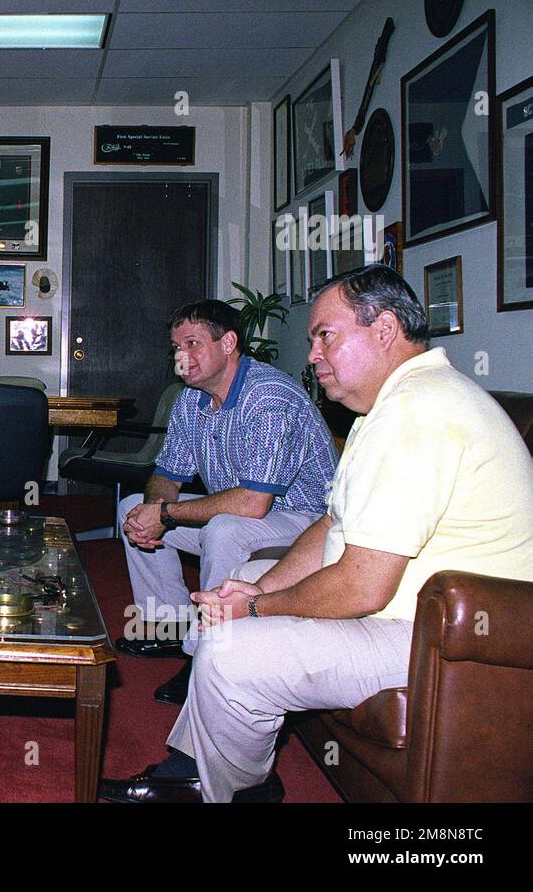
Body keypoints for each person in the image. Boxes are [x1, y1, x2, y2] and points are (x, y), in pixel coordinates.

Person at [99, 265, 533, 803]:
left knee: (233, 641)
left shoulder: (420, 416)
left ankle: (228, 791)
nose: (311, 354)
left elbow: (361, 587)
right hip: (410, 612)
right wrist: (259, 590)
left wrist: (257, 610)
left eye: (325, 335)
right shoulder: (399, 404)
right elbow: (333, 522)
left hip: (446, 639)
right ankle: (199, 762)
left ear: (385, 329)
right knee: (244, 578)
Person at [116, 299, 338, 706]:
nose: (182, 356)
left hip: (309, 524)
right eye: (176, 348)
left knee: (225, 527)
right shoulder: (191, 400)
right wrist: (152, 510)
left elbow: (254, 504)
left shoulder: (269, 396)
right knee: (131, 505)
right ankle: (169, 627)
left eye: (193, 343)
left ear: (229, 342)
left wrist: (166, 514)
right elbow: (167, 475)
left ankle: (206, 652)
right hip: (247, 515)